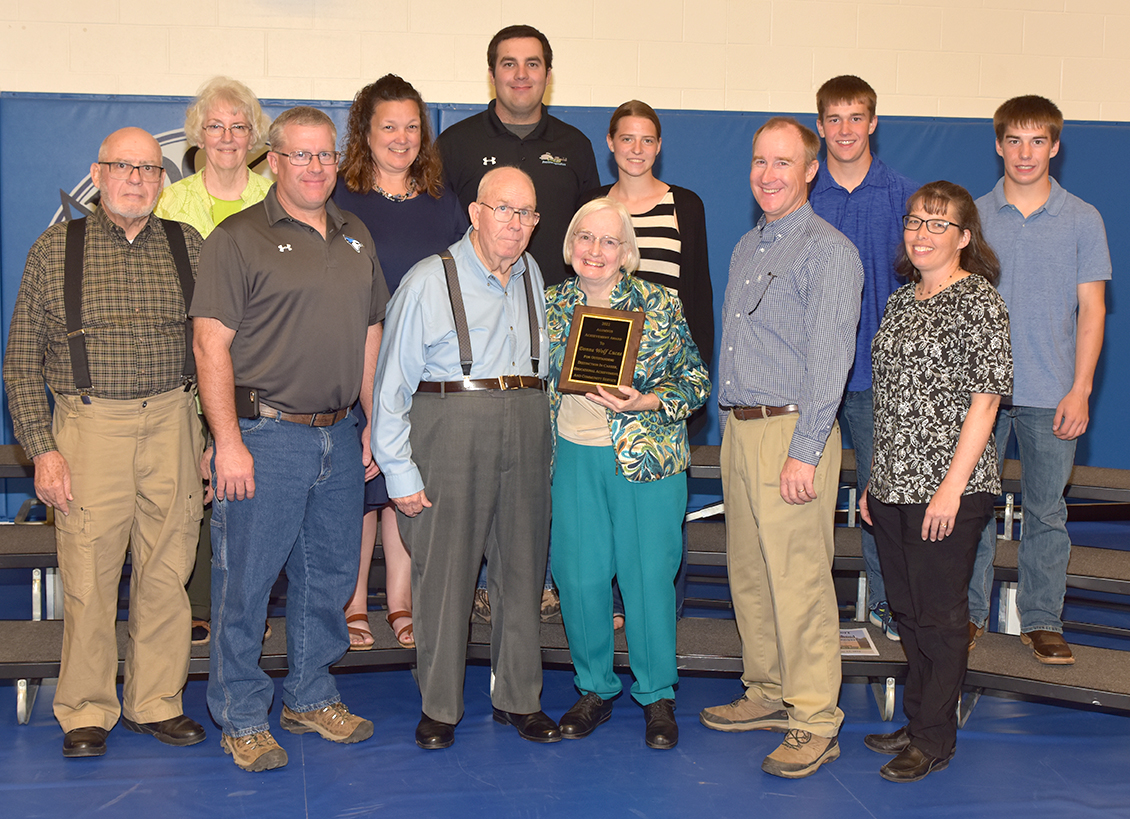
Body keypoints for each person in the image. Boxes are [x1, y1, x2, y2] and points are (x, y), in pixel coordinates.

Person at [192, 106, 390, 772]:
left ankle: (309, 694)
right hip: (263, 435)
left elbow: (370, 337)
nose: (315, 167)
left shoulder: (356, 233)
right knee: (246, 583)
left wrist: (372, 423)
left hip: (338, 435)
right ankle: (243, 714)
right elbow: (209, 342)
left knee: (327, 578)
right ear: (271, 162)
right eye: (300, 155)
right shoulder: (237, 238)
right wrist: (228, 441)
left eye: (325, 155)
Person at [3, 127, 207, 758]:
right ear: (99, 173)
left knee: (168, 570)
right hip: (88, 430)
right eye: (124, 167)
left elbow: (215, 350)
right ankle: (87, 709)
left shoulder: (189, 246)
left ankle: (155, 703)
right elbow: (19, 361)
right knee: (88, 576)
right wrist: (43, 449)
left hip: (175, 422)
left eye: (149, 169)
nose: (137, 179)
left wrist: (212, 437)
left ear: (162, 178)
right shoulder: (54, 249)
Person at [372, 166, 559, 751]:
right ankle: (440, 706)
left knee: (523, 573)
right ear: (475, 212)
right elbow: (391, 389)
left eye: (527, 213)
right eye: (503, 209)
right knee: (446, 576)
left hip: (525, 431)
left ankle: (519, 699)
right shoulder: (429, 280)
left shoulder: (532, 274)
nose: (516, 224)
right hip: (451, 431)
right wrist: (400, 473)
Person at [700, 117, 862, 779]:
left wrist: (805, 449)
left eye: (783, 162)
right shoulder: (749, 245)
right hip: (741, 428)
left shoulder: (828, 250)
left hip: (794, 432)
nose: (768, 174)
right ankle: (766, 689)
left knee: (798, 581)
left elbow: (830, 366)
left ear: (810, 169)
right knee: (751, 572)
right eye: (760, 162)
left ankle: (816, 718)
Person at [861, 181, 1012, 782]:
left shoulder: (980, 302)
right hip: (894, 484)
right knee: (907, 610)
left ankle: (934, 739)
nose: (922, 234)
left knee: (942, 615)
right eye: (915, 222)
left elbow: (985, 403)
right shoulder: (901, 302)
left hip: (950, 489)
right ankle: (920, 716)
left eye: (937, 224)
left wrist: (950, 489)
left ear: (964, 237)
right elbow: (891, 402)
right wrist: (876, 480)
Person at [549, 198, 709, 749]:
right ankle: (594, 687)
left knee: (647, 577)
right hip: (572, 454)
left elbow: (695, 380)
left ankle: (657, 694)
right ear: (570, 248)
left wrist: (648, 401)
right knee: (578, 576)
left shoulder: (660, 304)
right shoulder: (547, 306)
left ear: (627, 253)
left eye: (609, 241)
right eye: (585, 238)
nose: (596, 250)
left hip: (646, 457)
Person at [967, 96, 1111, 665]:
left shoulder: (1083, 218)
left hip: (1053, 392)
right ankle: (969, 614)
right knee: (974, 506)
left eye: (1037, 141)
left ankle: (1042, 620)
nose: (1025, 153)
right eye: (1014, 141)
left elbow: (1093, 311)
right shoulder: (973, 216)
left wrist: (1081, 389)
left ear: (1054, 146)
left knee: (1047, 512)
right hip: (981, 393)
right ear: (999, 145)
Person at [334, 74, 468, 651]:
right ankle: (354, 599)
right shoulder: (338, 196)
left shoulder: (444, 203)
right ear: (365, 132)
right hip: (351, 360)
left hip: (424, 368)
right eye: (389, 126)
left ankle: (401, 600)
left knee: (406, 484)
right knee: (363, 486)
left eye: (412, 126)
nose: (402, 137)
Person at [154, 75, 273, 646]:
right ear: (198, 133)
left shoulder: (274, 198)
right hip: (183, 362)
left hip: (259, 363)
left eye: (238, 126)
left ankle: (249, 606)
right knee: (190, 489)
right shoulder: (169, 201)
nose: (227, 136)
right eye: (216, 126)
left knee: (254, 486)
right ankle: (197, 603)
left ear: (254, 135)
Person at [587, 100, 714, 629]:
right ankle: (615, 606)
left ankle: (662, 606)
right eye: (626, 138)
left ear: (658, 146)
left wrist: (693, 375)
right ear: (611, 143)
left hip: (663, 375)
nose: (636, 149)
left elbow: (698, 292)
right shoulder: (591, 203)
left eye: (647, 139)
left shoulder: (686, 204)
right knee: (606, 497)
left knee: (661, 500)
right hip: (603, 372)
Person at [811, 75, 919, 642]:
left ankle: (886, 603)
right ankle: (809, 609)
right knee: (806, 495)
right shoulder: (804, 196)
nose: (845, 130)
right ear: (820, 125)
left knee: (885, 498)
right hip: (813, 378)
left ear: (873, 123)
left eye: (856, 118)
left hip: (881, 376)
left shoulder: (904, 195)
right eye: (834, 119)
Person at [438, 24, 599, 287]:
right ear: (492, 74)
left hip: (554, 308)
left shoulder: (576, 146)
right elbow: (438, 233)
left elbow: (591, 233)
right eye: (509, 64)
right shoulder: (454, 144)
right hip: (472, 306)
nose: (521, 75)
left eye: (532, 64)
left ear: (548, 76)